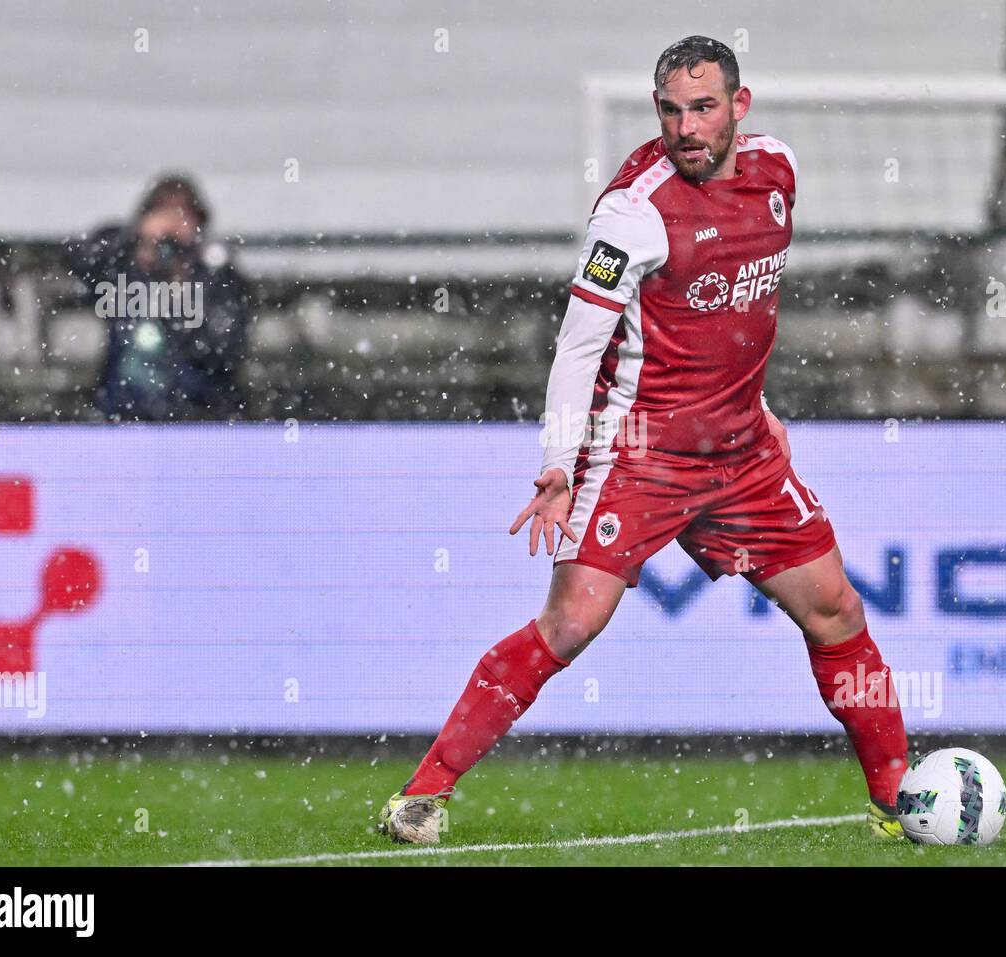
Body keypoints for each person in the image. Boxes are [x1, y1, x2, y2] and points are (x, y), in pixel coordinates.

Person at [378, 36, 910, 844]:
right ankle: (424, 794)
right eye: (670, 110)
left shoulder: (779, 172)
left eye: (703, 108)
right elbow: (578, 345)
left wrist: (753, 406)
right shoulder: (632, 213)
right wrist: (559, 463)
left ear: (740, 105)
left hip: (741, 457)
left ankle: (896, 807)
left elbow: (738, 311)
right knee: (572, 622)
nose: (686, 127)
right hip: (640, 451)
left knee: (836, 608)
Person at [67, 174, 250, 421]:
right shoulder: (125, 270)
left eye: (183, 215)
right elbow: (83, 258)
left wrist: (180, 295)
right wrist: (137, 244)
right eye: (163, 213)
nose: (173, 227)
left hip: (200, 417)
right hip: (123, 413)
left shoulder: (216, 276)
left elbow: (222, 349)